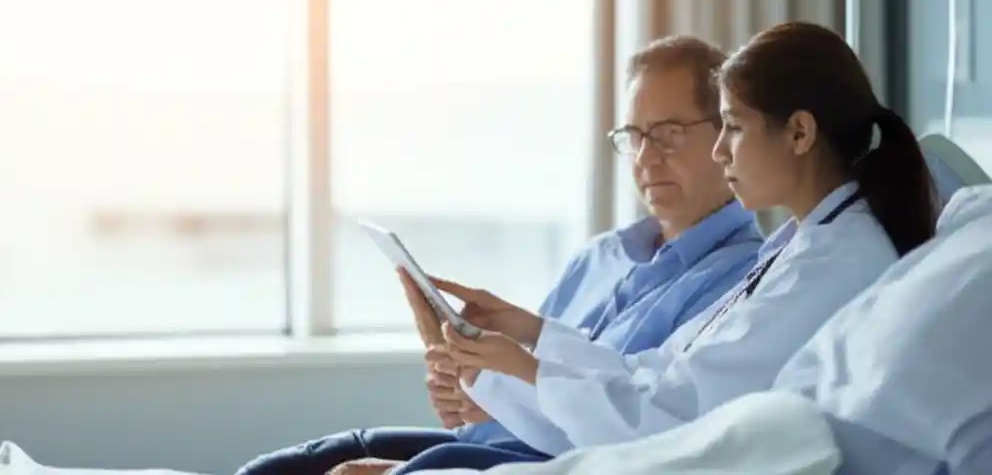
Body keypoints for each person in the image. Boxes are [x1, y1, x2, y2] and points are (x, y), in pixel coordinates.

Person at [414, 22, 936, 472]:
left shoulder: (834, 265)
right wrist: (532, 337)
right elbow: (660, 371)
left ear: (799, 132)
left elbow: (672, 419)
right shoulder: (808, 245)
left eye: (732, 126)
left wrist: (526, 368)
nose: (718, 149)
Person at [235, 37, 763, 475]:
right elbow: (524, 383)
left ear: (725, 136)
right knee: (285, 467)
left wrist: (496, 400)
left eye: (668, 134)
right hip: (494, 442)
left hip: (540, 464)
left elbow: (639, 428)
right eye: (634, 136)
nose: (647, 157)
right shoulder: (600, 258)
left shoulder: (743, 281)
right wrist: (466, 389)